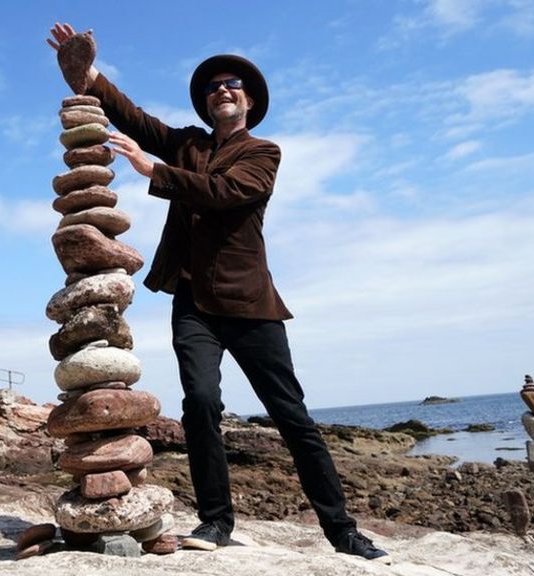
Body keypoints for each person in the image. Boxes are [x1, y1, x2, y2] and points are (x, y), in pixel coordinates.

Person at [48, 23, 390, 563]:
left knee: (291, 416)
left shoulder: (264, 153)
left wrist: (154, 171)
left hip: (250, 303)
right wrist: (88, 76)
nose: (221, 90)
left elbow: (228, 194)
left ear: (249, 101)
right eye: (213, 87)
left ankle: (342, 530)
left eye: (232, 84)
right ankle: (215, 521)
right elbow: (135, 119)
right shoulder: (187, 143)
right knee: (201, 404)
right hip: (193, 304)